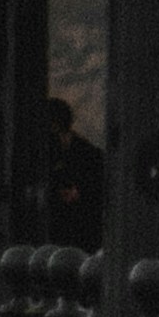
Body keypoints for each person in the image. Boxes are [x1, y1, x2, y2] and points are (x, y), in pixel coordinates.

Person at [38, 92, 108, 257]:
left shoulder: (90, 156)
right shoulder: (87, 152)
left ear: (54, 126)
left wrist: (79, 193)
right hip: (60, 234)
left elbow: (100, 191)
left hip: (79, 236)